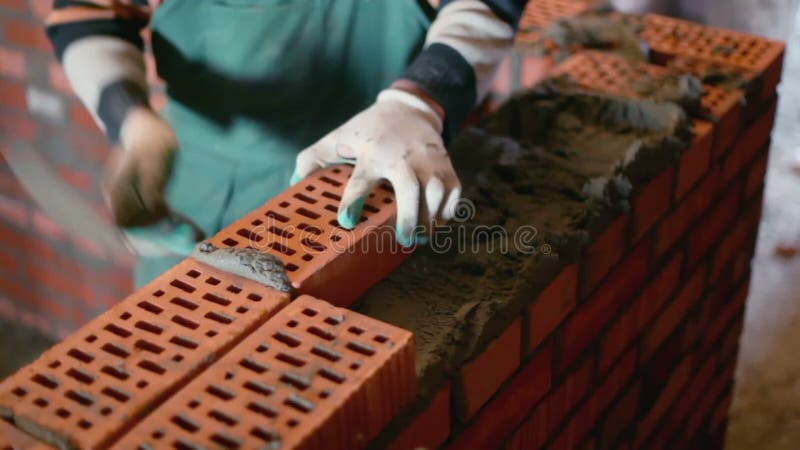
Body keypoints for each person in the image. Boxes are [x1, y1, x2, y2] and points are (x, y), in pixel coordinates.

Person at [45, 0, 527, 287]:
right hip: (203, 183)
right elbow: (89, 13)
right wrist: (131, 122)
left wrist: (421, 101)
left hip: (379, 171)